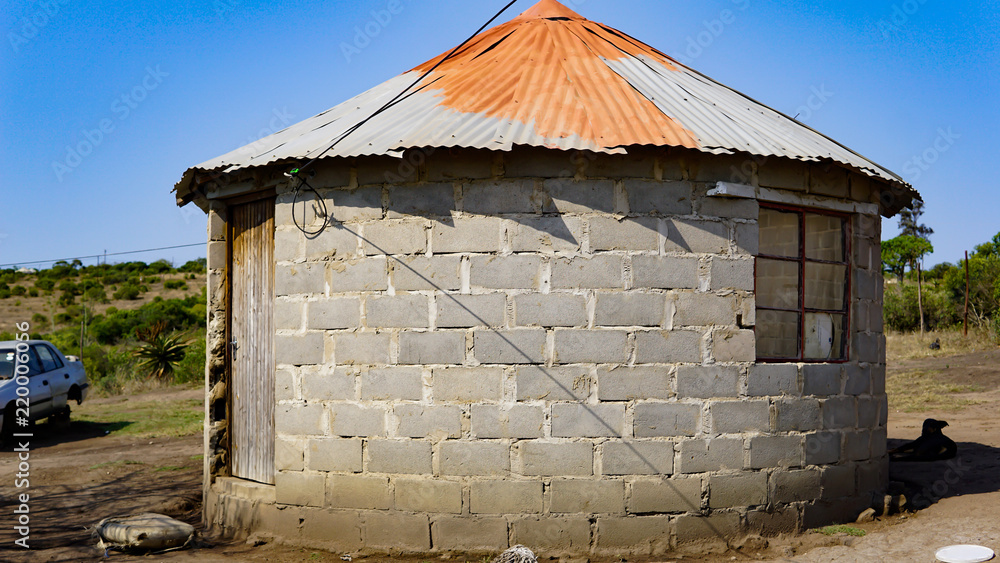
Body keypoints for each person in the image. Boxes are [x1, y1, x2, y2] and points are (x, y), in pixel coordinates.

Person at [889, 418, 957, 461]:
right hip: (948, 452)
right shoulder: (942, 438)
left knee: (918, 453)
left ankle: (897, 456)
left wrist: (895, 453)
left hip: (935, 453)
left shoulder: (927, 437)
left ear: (934, 429)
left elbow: (912, 446)